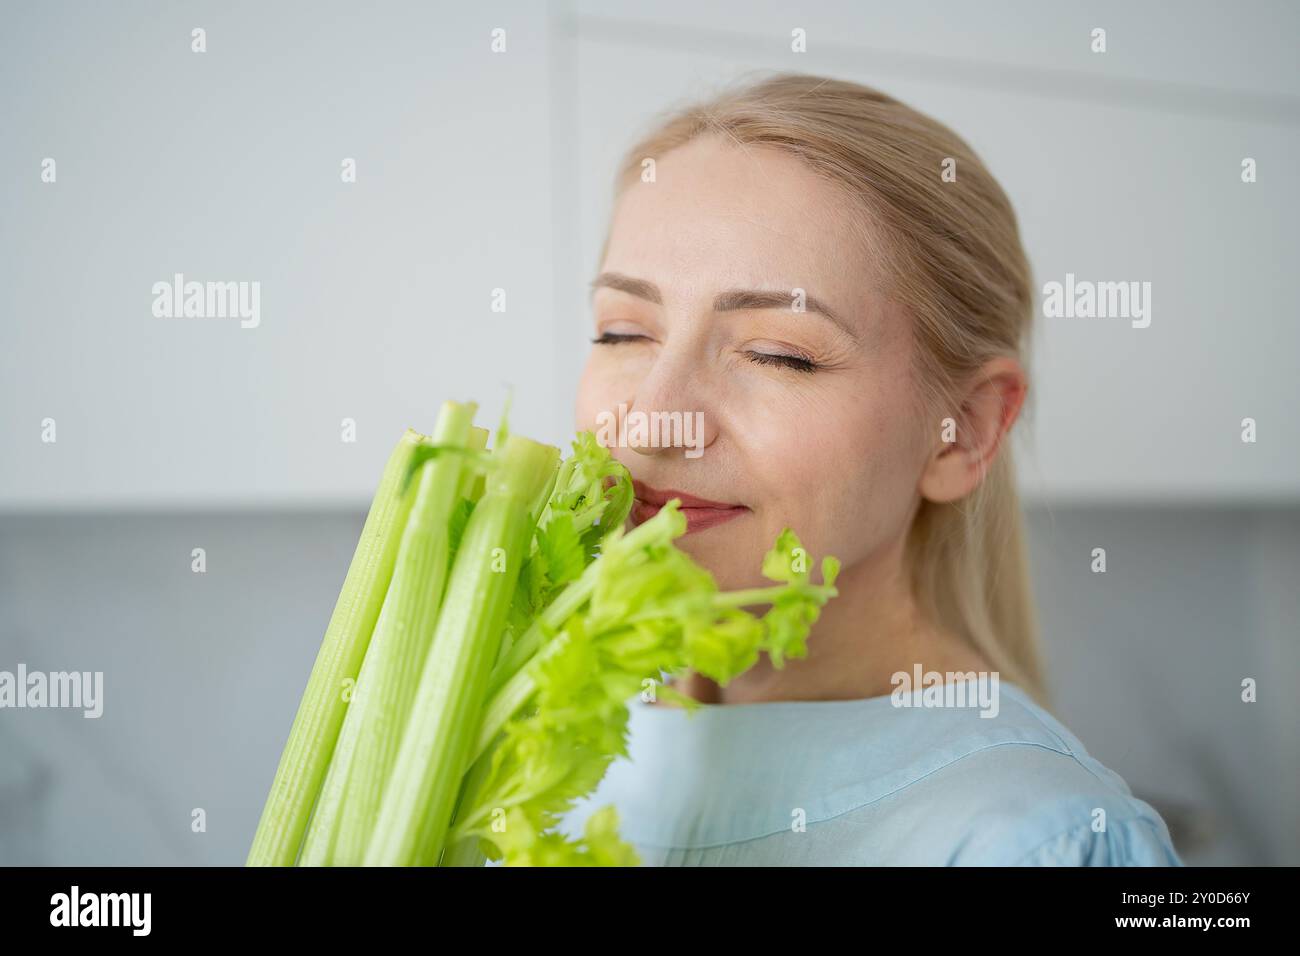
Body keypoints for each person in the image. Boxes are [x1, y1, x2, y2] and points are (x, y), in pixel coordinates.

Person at [562, 72, 1182, 866]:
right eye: (622, 334)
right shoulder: (532, 753)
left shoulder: (1037, 841)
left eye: (778, 353)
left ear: (963, 433)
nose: (651, 421)